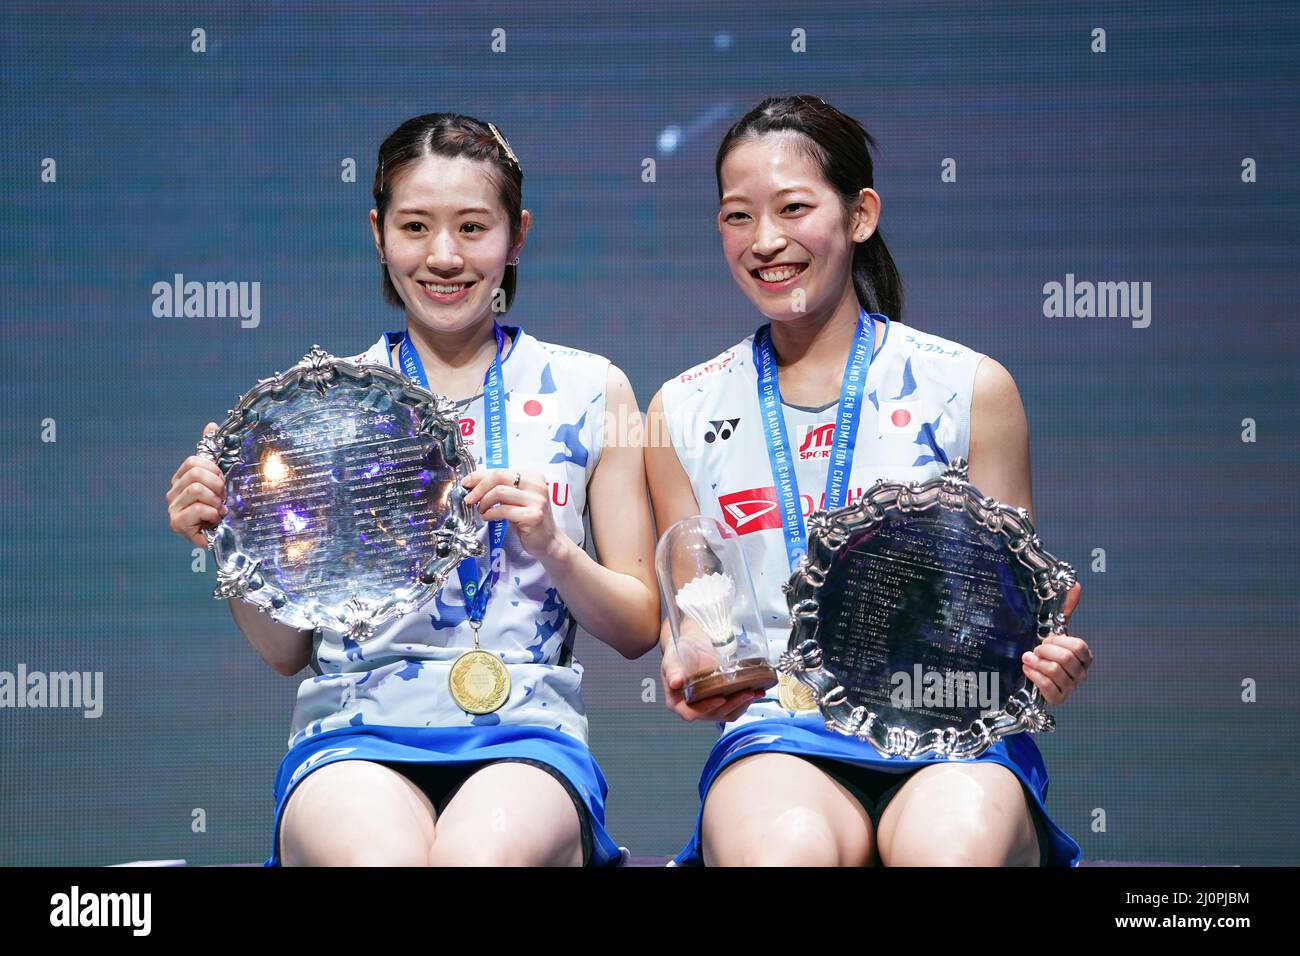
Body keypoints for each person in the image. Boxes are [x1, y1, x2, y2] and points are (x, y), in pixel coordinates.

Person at [166, 113, 658, 866]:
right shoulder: (318, 412)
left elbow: (637, 627)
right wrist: (228, 538)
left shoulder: (593, 389)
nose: (444, 256)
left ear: (516, 235)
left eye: (473, 226)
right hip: (350, 735)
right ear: (378, 232)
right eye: (415, 227)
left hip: (527, 735)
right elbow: (285, 650)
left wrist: (555, 548)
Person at [645, 95, 1093, 866]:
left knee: (946, 851)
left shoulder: (970, 387)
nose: (767, 241)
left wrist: (1042, 655)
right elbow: (691, 615)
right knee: (783, 854)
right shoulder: (681, 409)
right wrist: (687, 662)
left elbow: (1009, 615)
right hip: (782, 733)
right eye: (737, 217)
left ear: (860, 215)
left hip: (951, 726)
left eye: (793, 208)